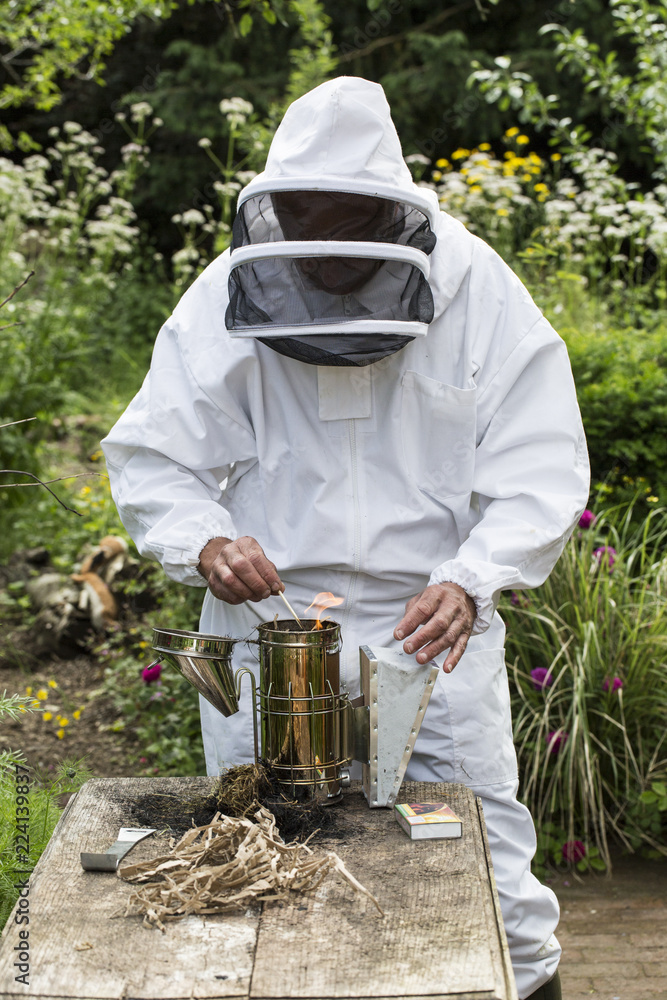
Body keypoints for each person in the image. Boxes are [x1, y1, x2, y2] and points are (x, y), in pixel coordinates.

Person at [102, 76, 589, 999]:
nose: (323, 261)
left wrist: (475, 576)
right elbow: (155, 454)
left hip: (430, 631)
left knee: (488, 882)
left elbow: (540, 464)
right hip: (273, 628)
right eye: (304, 220)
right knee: (266, 877)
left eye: (341, 221)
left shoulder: (478, 286)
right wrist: (206, 539)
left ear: (387, 216)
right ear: (276, 211)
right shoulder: (226, 293)